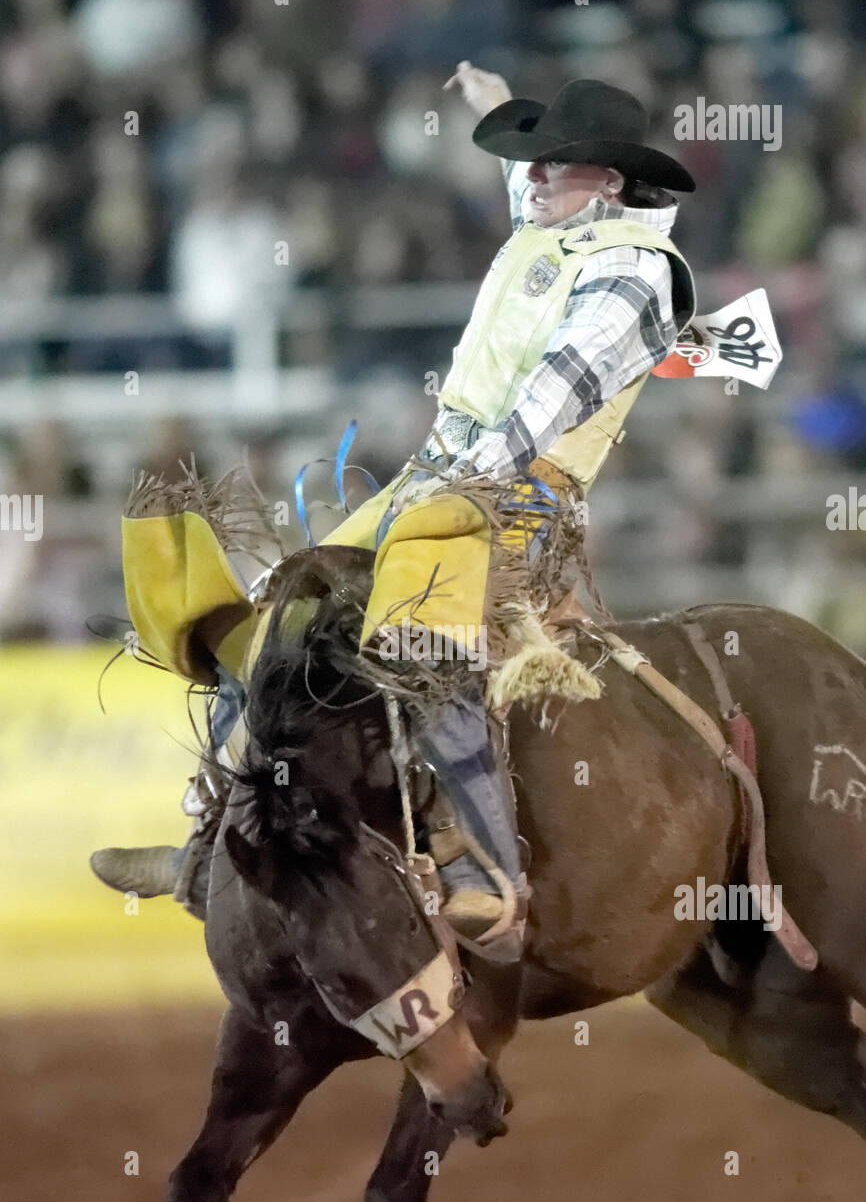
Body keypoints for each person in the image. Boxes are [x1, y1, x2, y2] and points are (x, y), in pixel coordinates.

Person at [92, 66, 696, 956]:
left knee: (422, 639)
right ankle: (210, 844)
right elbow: (523, 194)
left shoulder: (639, 274)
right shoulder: (568, 233)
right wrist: (496, 106)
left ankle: (485, 872)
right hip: (442, 480)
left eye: (552, 164)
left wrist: (459, 487)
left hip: (515, 497)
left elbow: (551, 399)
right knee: (268, 613)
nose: (530, 178)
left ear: (606, 182)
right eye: (530, 162)